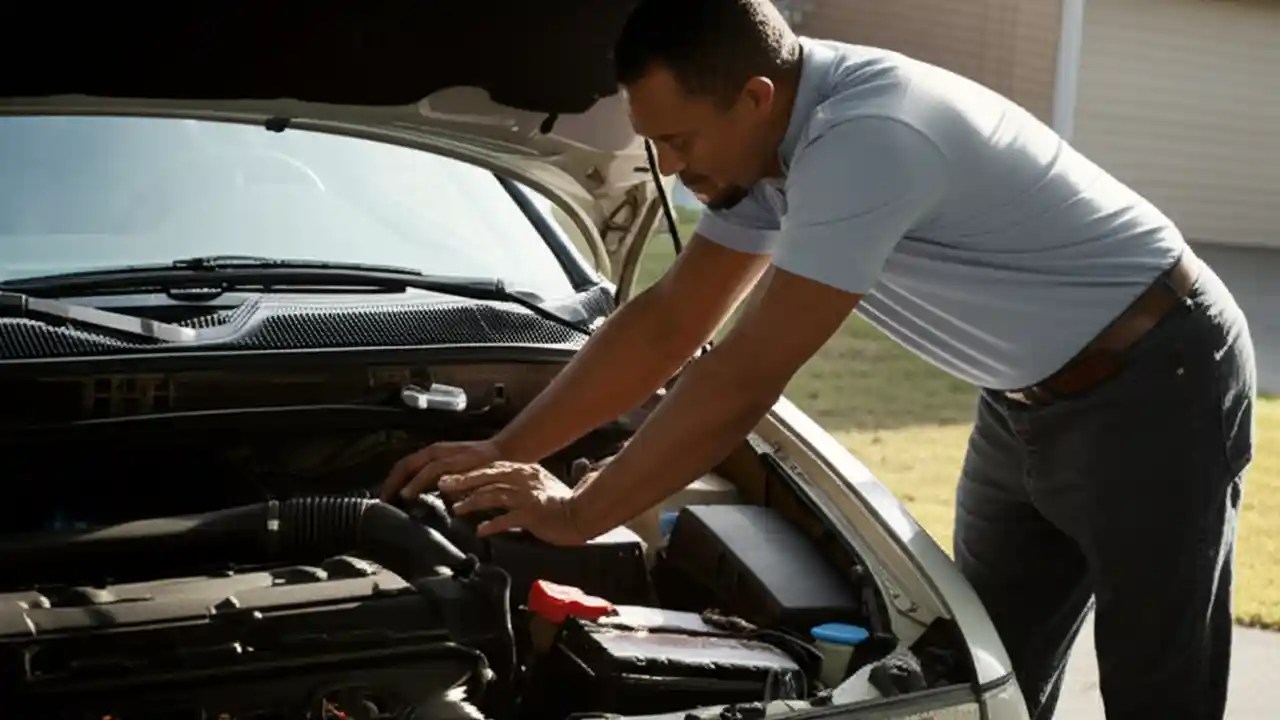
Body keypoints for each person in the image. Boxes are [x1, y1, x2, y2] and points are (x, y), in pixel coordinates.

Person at [382, 1, 1256, 717]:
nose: (672, 168)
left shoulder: (869, 138)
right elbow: (667, 322)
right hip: (1020, 396)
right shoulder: (765, 144)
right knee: (992, 678)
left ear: (755, 97)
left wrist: (579, 515)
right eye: (657, 146)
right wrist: (508, 451)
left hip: (1155, 377)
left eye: (681, 142)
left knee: (1159, 686)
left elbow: (744, 374)